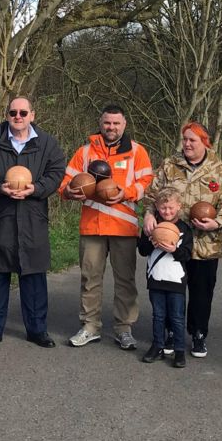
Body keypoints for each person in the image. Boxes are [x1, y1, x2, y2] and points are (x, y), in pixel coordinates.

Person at [0, 97, 66, 349]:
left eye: (23, 112)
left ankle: (37, 330)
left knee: (34, 276)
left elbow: (57, 172)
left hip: (33, 217)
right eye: (13, 112)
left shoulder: (47, 143)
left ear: (32, 115)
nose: (18, 116)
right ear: (7, 115)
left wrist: (36, 188)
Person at [59, 104, 154, 350]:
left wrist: (127, 192)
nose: (111, 127)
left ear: (124, 125)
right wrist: (69, 191)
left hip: (123, 227)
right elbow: (65, 183)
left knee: (125, 280)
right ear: (100, 123)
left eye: (116, 123)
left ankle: (124, 328)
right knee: (90, 278)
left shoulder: (136, 151)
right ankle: (90, 326)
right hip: (92, 227)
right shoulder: (86, 151)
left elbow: (148, 183)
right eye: (107, 123)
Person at [142, 122, 222, 358]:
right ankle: (172, 332)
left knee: (201, 290)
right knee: (172, 289)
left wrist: (218, 221)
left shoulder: (218, 168)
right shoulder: (170, 164)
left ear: (205, 142)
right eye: (184, 139)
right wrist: (147, 214)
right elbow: (151, 194)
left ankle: (198, 333)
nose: (186, 144)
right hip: (171, 240)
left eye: (192, 140)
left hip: (206, 241)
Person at [138, 188, 194, 368]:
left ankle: (179, 351)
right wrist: (150, 242)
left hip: (176, 281)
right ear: (156, 207)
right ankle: (157, 346)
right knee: (158, 315)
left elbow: (187, 255)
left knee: (177, 317)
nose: (167, 212)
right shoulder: (151, 227)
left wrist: (174, 250)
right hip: (156, 278)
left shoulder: (185, 229)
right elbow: (142, 250)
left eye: (170, 208)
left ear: (179, 206)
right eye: (163, 208)